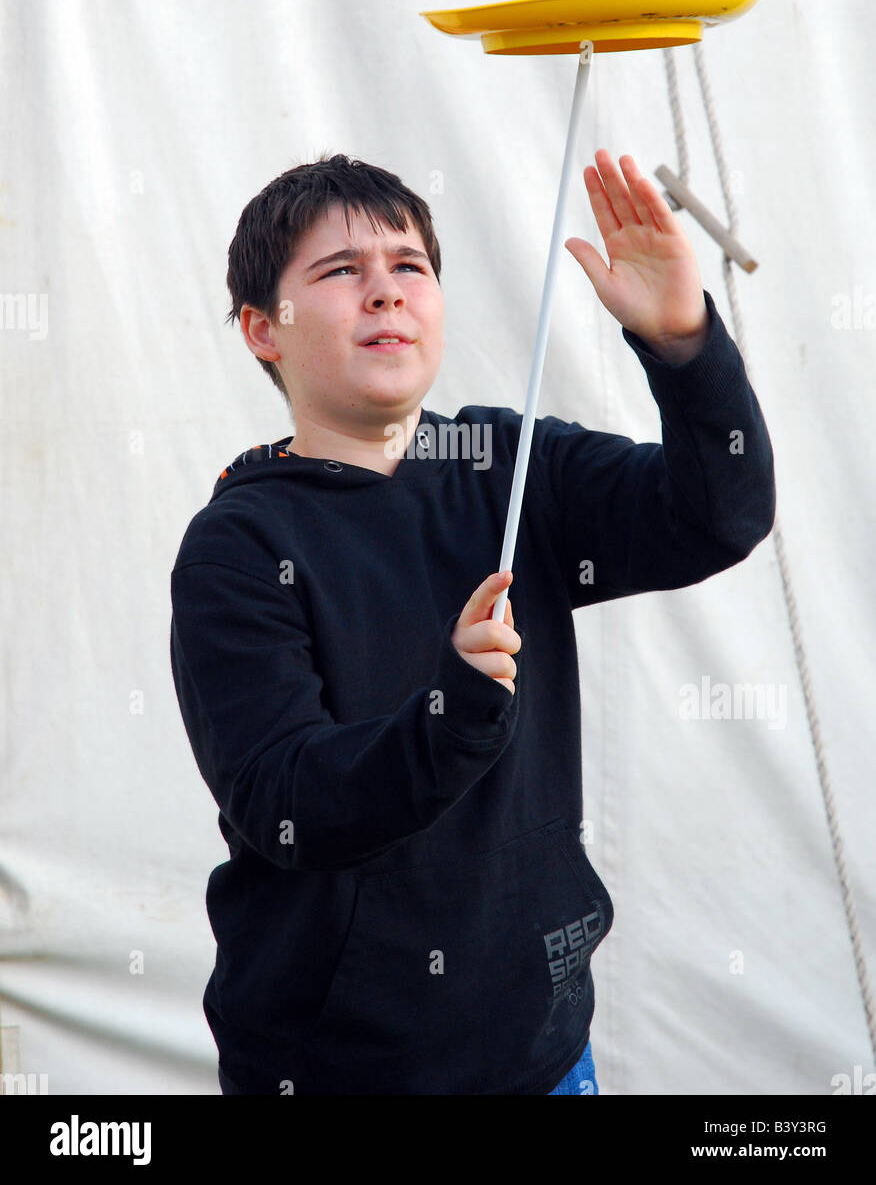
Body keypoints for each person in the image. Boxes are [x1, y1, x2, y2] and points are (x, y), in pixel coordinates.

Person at [169, 149, 776, 1095]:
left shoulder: (506, 465)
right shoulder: (236, 546)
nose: (386, 293)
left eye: (410, 266)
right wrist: (452, 712)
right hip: (338, 1073)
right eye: (340, 272)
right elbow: (287, 806)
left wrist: (685, 346)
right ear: (263, 330)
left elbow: (719, 517)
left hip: (543, 1059)